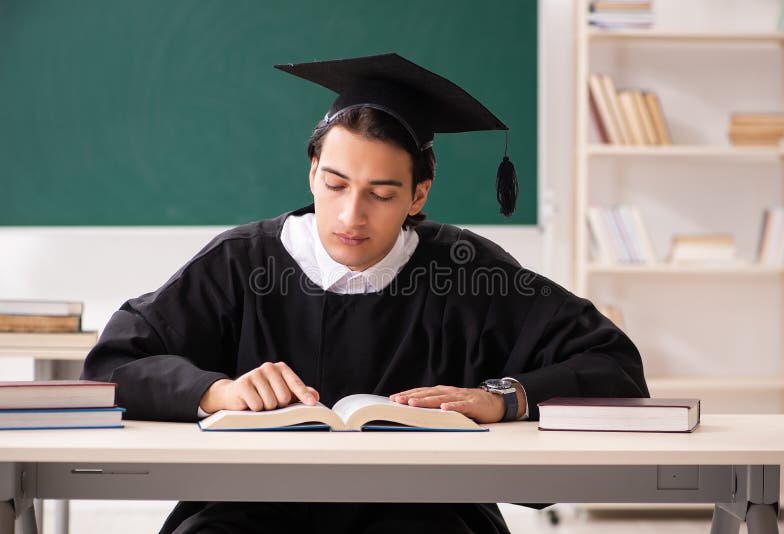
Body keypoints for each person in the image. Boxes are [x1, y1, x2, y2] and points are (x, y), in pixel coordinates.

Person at [82, 53, 649, 534]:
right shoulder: (240, 262)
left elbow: (615, 367)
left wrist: (504, 398)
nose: (351, 215)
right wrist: (219, 393)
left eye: (381, 193)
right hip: (250, 504)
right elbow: (111, 367)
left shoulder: (468, 269)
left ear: (418, 194)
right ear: (312, 174)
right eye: (335, 185)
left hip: (425, 511)